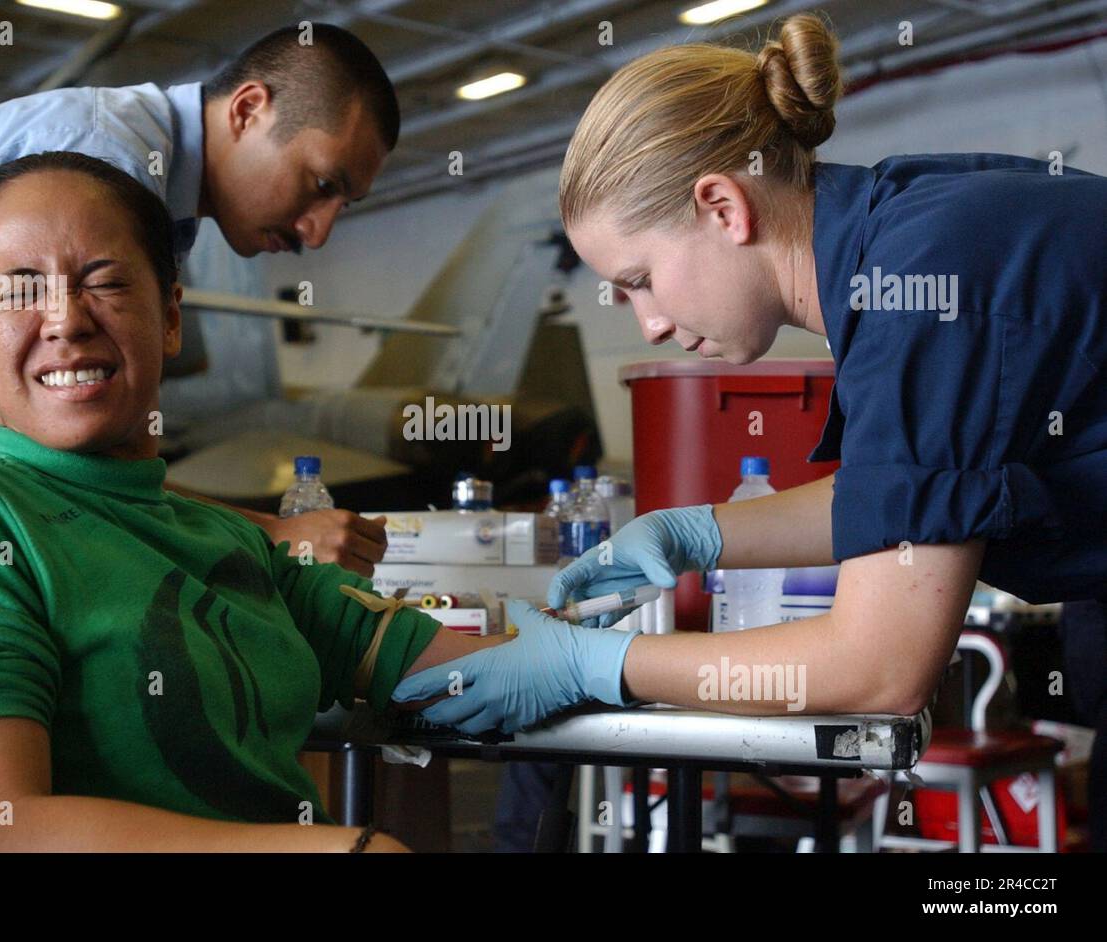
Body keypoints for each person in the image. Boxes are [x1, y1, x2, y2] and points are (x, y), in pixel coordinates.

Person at [393, 13, 1107, 850]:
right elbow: (907, 502)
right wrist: (695, 533)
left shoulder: (919, 284)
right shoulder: (903, 234)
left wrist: (593, 669)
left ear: (723, 206)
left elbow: (882, 670)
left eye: (641, 280)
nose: (649, 324)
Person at [0, 152, 629, 851]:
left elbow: (458, 665)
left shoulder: (228, 539)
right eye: (18, 291)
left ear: (172, 316)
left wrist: (663, 645)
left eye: (106, 282)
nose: (66, 321)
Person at [0, 22, 398, 851]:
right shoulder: (100, 170)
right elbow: (16, 453)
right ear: (250, 109)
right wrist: (272, 535)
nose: (320, 228)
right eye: (321, 183)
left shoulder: (146, 182)